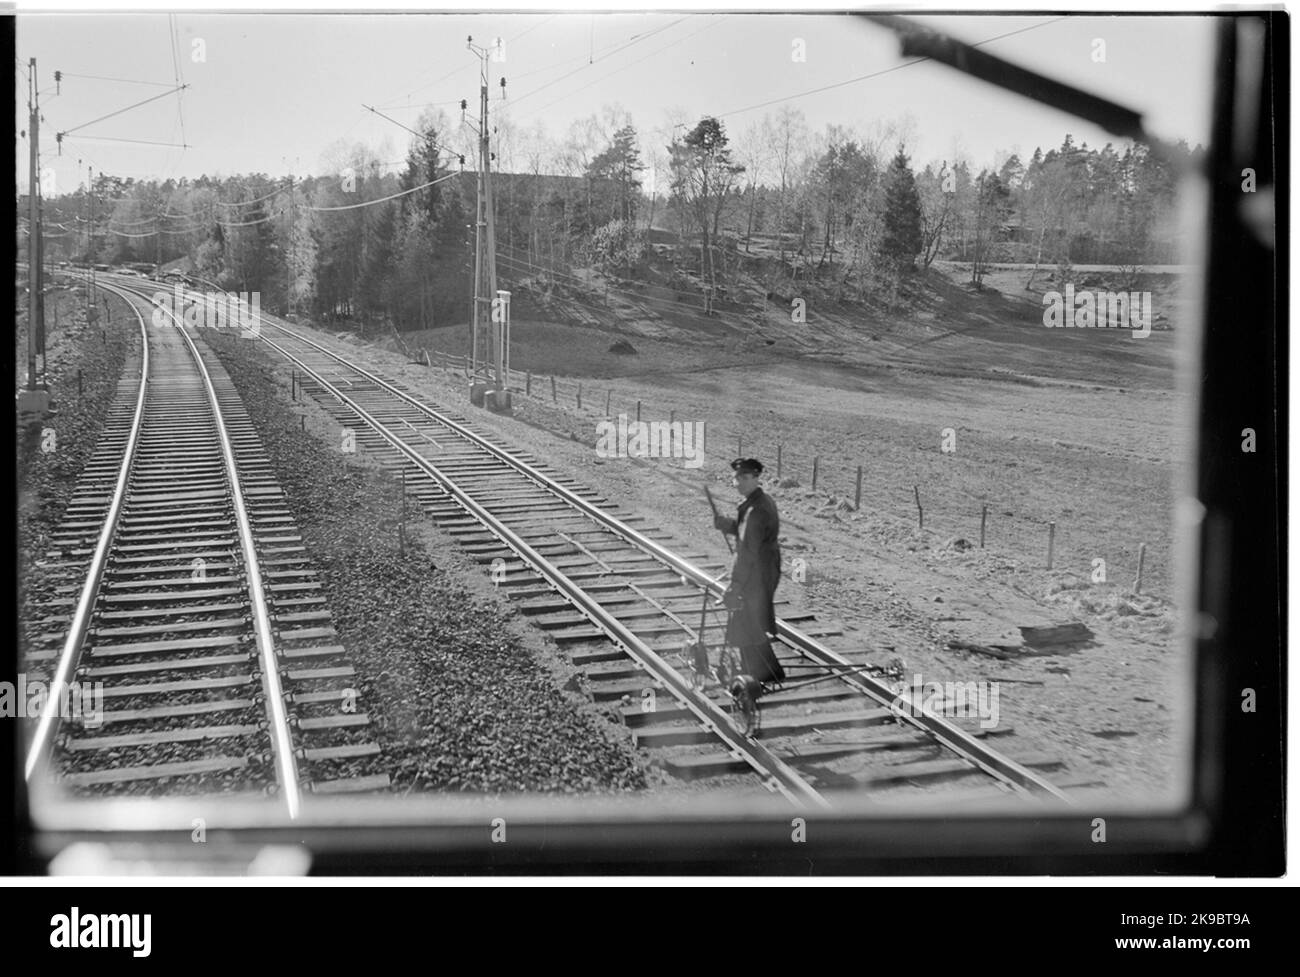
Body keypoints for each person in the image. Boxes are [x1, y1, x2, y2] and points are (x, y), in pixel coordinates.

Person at [712, 458, 787, 686]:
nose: (742, 483)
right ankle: (766, 671)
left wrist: (735, 584)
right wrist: (726, 524)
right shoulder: (761, 502)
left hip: (756, 572)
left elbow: (746, 551)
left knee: (744, 618)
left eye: (747, 478)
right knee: (751, 619)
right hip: (767, 568)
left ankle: (758, 674)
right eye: (738, 478)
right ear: (733, 481)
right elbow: (746, 531)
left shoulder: (755, 509)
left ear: (756, 479)